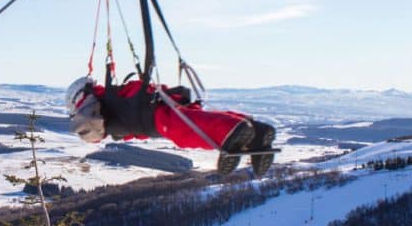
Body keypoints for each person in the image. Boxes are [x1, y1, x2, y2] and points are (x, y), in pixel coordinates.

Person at [67, 75, 276, 176]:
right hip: (152, 111)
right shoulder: (105, 100)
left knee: (186, 131)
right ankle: (254, 130)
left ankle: (231, 133)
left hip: (151, 115)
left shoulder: (95, 104)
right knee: (195, 119)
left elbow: (89, 128)